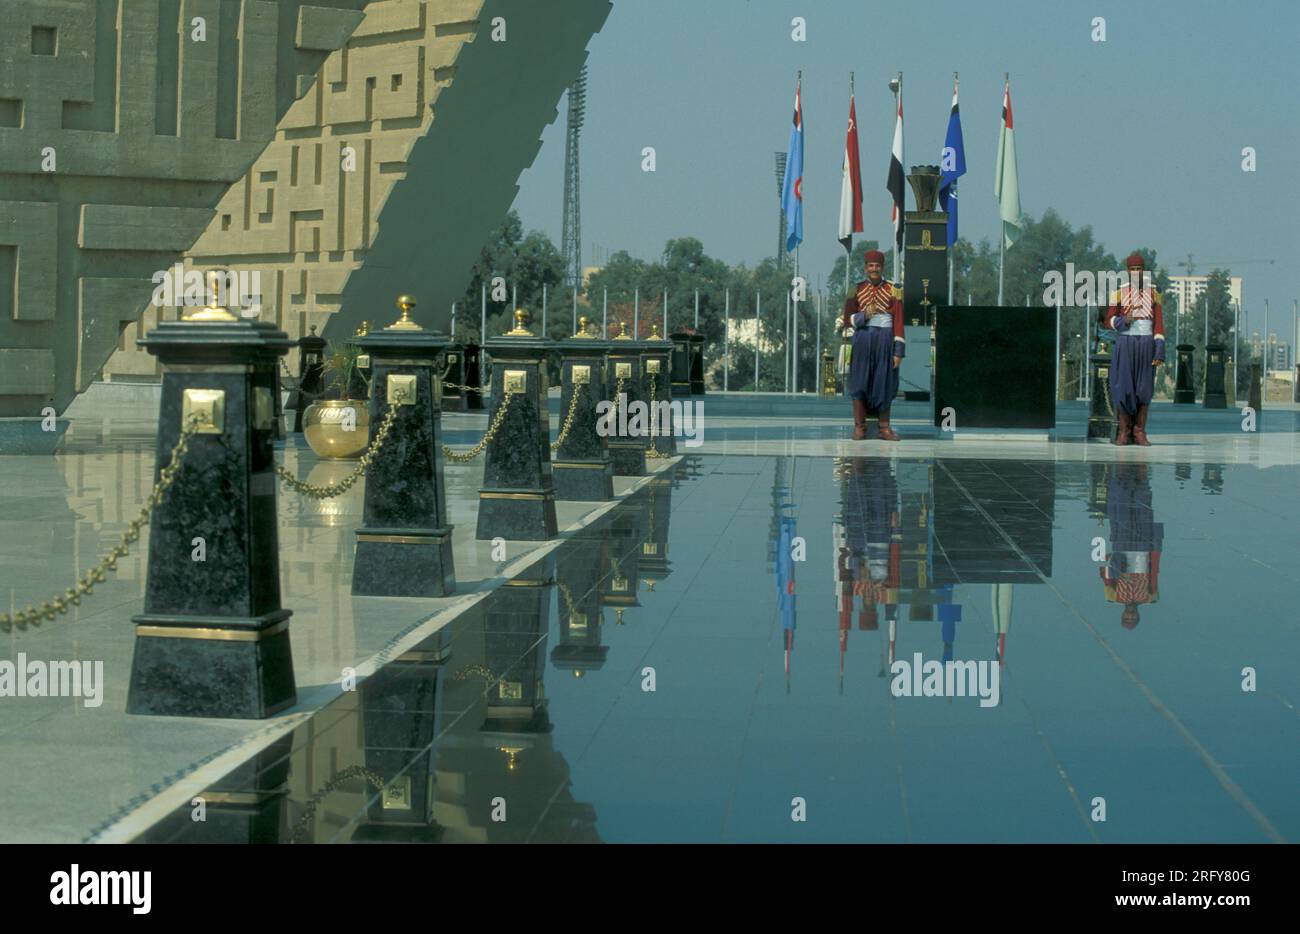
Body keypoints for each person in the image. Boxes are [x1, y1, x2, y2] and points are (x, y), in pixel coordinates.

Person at [841, 250, 904, 440]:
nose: (874, 269)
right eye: (870, 265)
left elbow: (899, 321)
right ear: (865, 267)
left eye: (877, 266)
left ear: (882, 267)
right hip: (863, 339)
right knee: (859, 382)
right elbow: (847, 319)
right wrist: (863, 316)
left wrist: (898, 351)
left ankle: (884, 428)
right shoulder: (856, 289)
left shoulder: (894, 289)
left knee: (884, 382)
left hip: (885, 339)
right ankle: (859, 427)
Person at [1104, 253, 1165, 445]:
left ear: (1143, 270)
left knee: (1144, 388)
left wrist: (1159, 349)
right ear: (1127, 271)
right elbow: (1108, 320)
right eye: (1133, 269)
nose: (1136, 272)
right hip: (1125, 342)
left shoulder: (1155, 291)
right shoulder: (1118, 291)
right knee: (1123, 387)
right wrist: (1124, 321)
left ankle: (1140, 431)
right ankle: (1124, 431)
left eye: (1139, 269)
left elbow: (1159, 322)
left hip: (1146, 342)